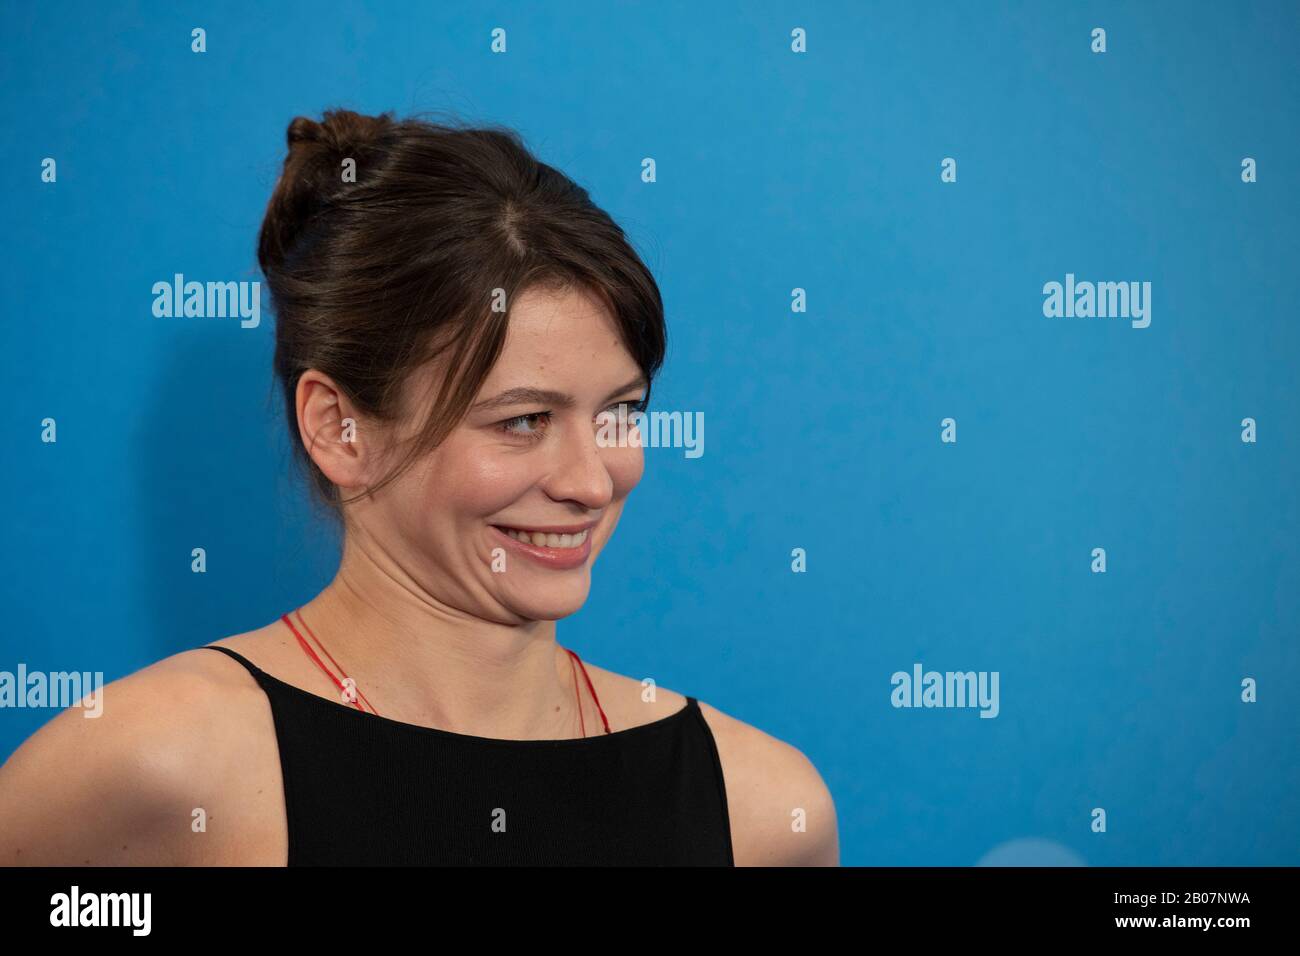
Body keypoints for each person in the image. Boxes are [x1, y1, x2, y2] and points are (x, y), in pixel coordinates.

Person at [0, 109, 838, 866]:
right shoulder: (158, 767)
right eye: (524, 420)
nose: (591, 481)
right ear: (339, 428)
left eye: (619, 413)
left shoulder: (761, 811)